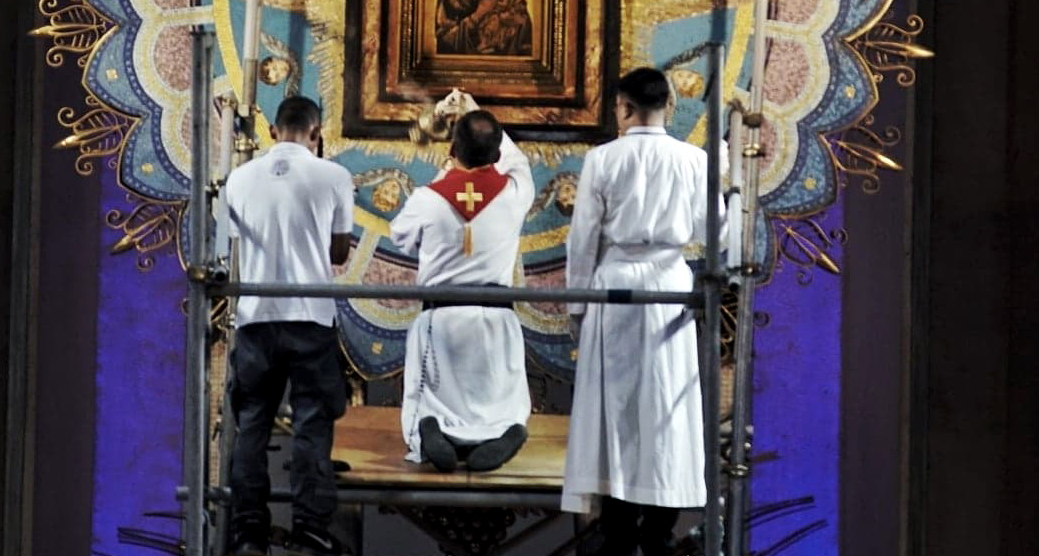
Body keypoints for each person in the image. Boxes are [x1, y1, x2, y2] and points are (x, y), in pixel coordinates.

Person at [561, 67, 719, 556]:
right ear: (668, 105)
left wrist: (577, 304)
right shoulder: (695, 159)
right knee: (666, 409)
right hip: (671, 281)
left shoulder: (603, 159)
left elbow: (584, 237)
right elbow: (716, 230)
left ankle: (619, 532)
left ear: (625, 107)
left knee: (616, 410)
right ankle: (659, 531)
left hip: (615, 284)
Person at [216, 96, 355, 556]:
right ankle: (310, 530)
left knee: (252, 424)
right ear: (316, 134)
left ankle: (249, 531)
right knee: (312, 425)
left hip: (257, 318)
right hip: (310, 318)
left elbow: (230, 242)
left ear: (274, 132)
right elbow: (338, 254)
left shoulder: (239, 178)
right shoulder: (333, 176)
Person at [389, 99, 533, 472]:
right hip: (496, 314)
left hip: (442, 316)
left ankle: (431, 430)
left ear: (452, 150)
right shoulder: (516, 193)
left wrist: (444, 174)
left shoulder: (428, 199)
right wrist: (475, 107)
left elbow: (400, 236)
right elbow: (517, 161)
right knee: (500, 391)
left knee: (432, 392)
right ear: (497, 152)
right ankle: (504, 429)